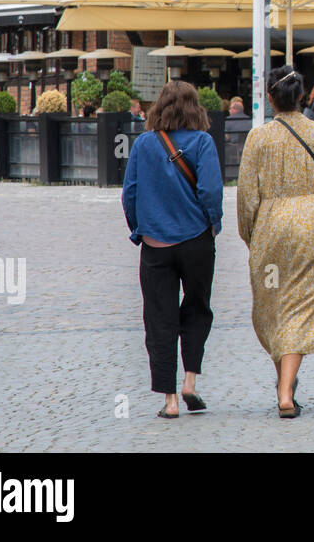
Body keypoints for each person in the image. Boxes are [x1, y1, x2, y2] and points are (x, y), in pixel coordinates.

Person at [237, 65, 314, 418]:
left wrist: (250, 235)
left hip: (271, 230)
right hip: (312, 227)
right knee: (302, 306)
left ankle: (284, 386)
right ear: (303, 97)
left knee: (274, 305)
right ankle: (286, 390)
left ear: (270, 98)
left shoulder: (258, 138)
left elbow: (246, 196)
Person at [121, 80, 223, 419]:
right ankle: (191, 381)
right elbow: (210, 191)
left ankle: (170, 400)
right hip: (196, 240)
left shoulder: (144, 144)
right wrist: (213, 224)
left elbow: (130, 194)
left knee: (159, 319)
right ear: (196, 108)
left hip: (156, 245)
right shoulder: (203, 142)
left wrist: (139, 230)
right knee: (197, 309)